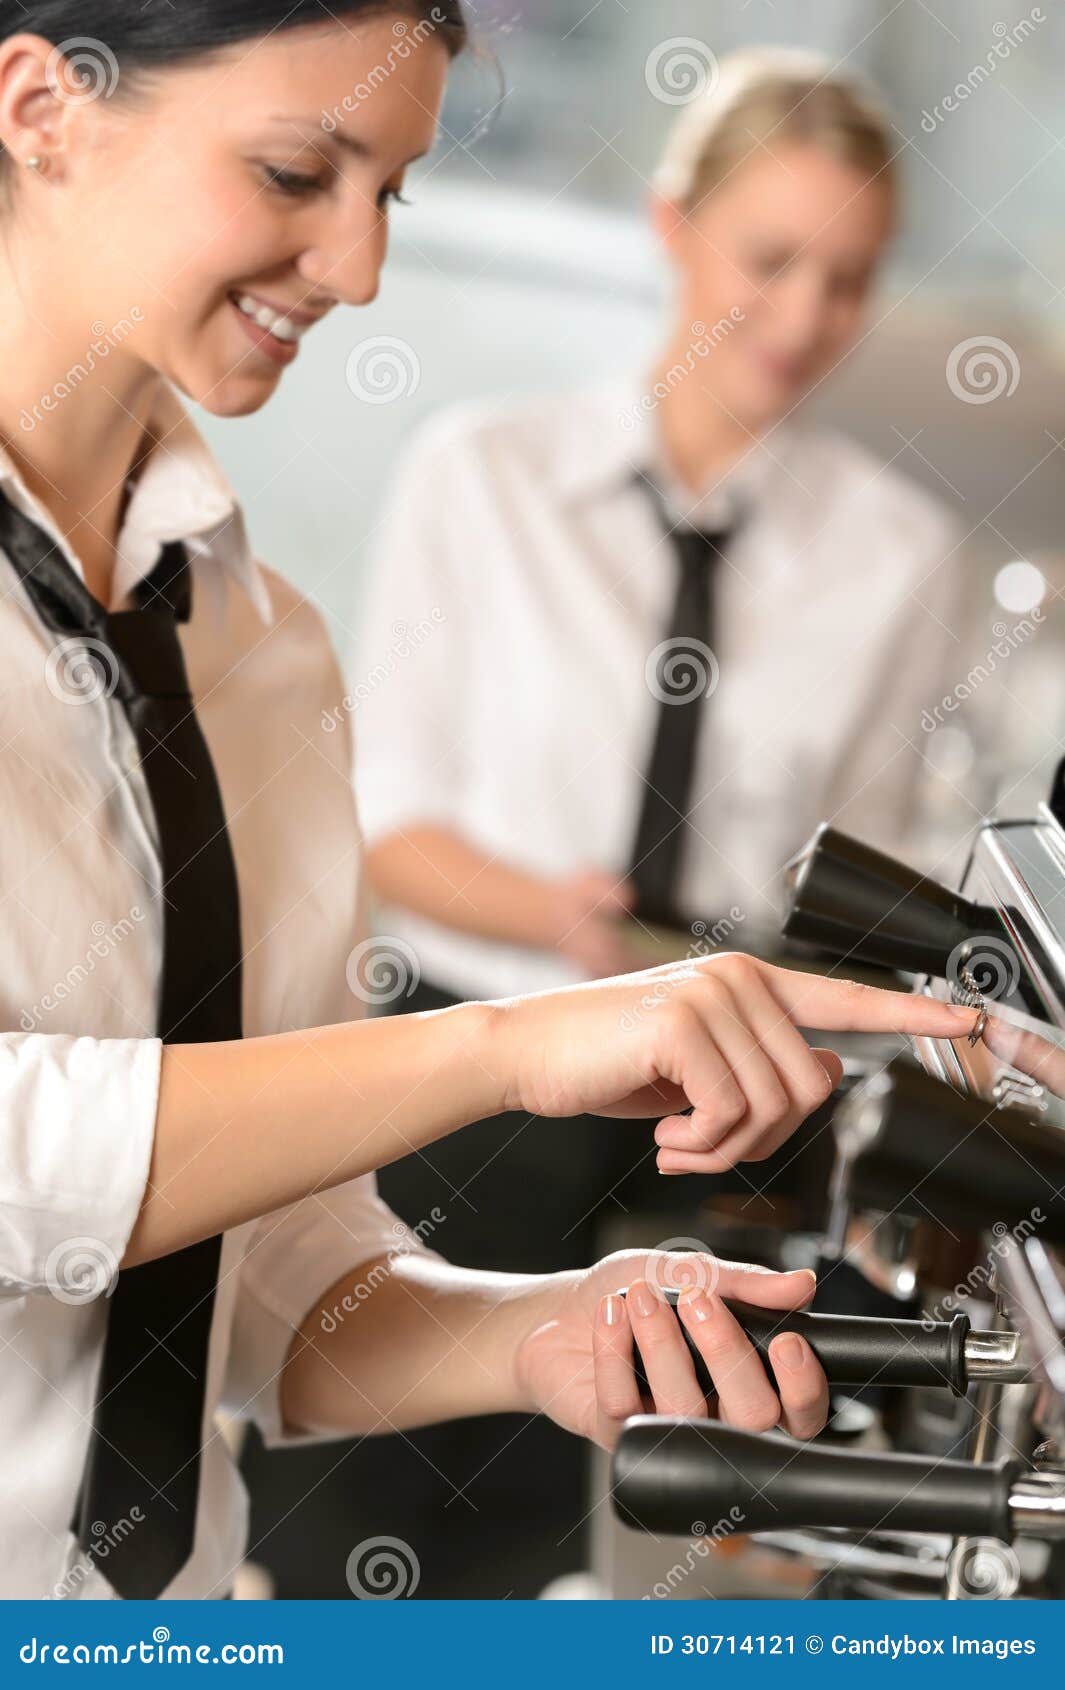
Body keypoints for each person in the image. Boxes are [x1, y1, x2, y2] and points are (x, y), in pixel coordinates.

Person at [0, 7, 977, 1601]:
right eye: (295, 172)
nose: (359, 269)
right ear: (44, 108)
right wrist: (501, 1043)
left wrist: (535, 1332)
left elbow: (266, 1268)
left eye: (390, 193)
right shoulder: (470, 487)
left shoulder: (261, 649)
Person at [346, 45, 976, 1593]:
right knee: (404, 1544)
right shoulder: (480, 475)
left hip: (724, 1120)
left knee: (658, 1559)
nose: (804, 316)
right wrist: (556, 919)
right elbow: (383, 826)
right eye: (770, 259)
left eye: (847, 278)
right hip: (467, 1078)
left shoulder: (900, 552)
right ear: (671, 225)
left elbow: (866, 885)